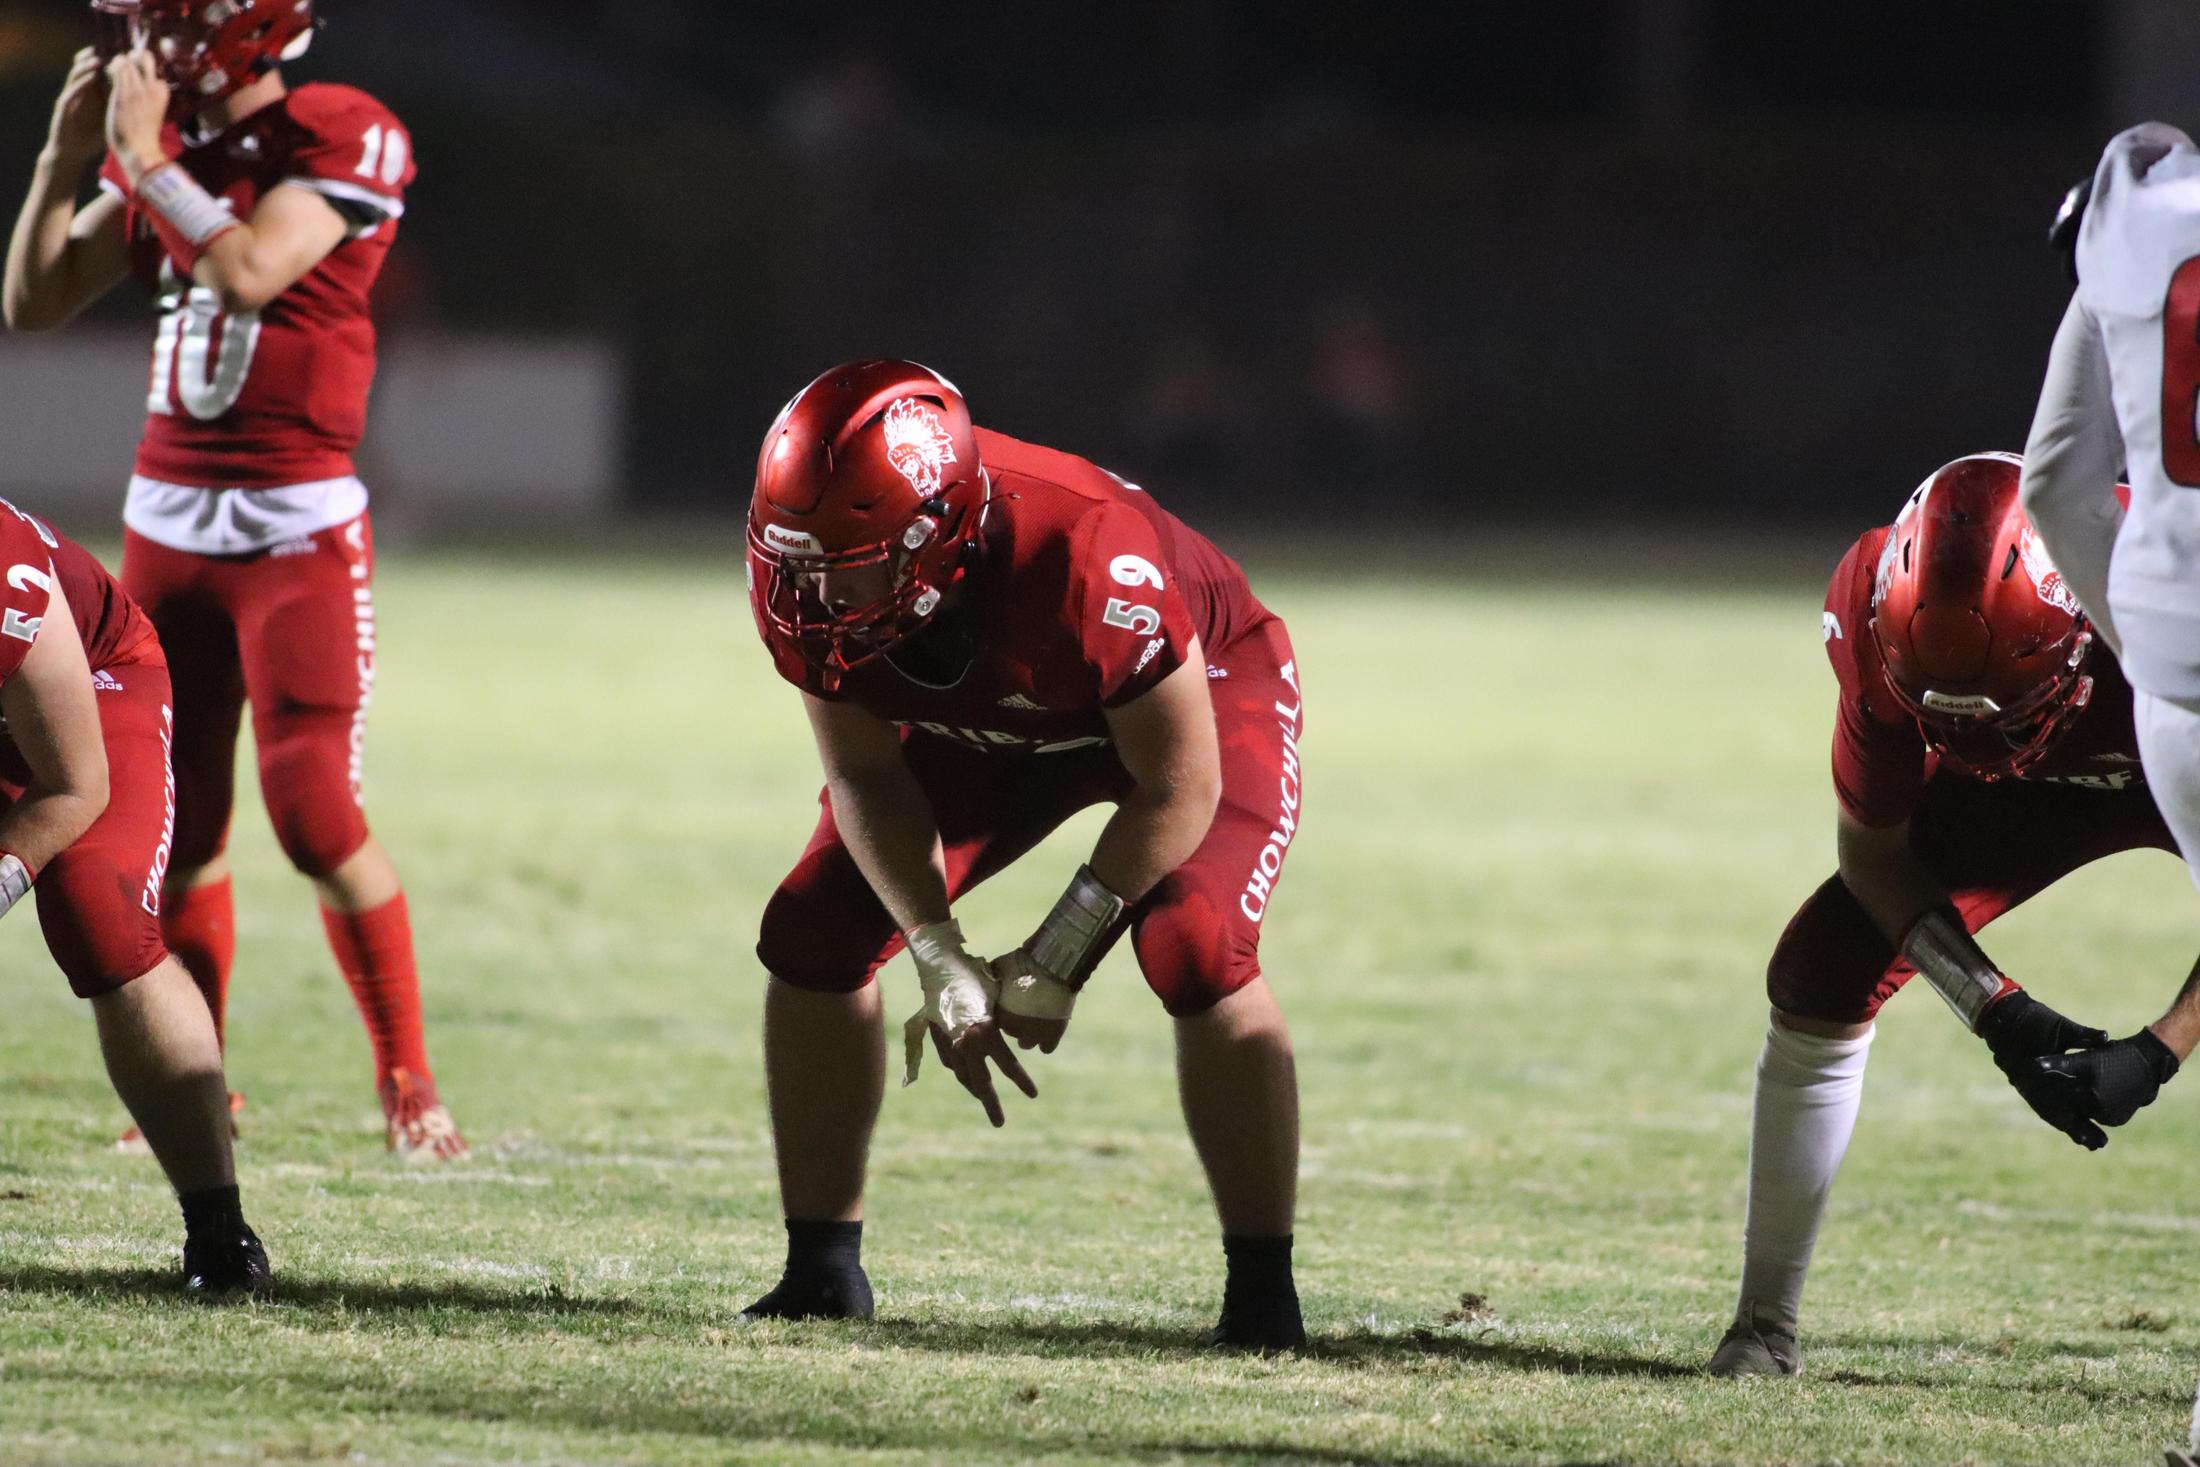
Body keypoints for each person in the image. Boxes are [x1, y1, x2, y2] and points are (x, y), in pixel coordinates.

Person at [742, 360, 1307, 1349]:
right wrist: (936, 949)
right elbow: (865, 777)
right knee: (814, 929)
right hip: (1002, 717)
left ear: (934, 535)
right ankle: (820, 1271)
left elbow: (1179, 784)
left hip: (1191, 702)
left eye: (846, 564)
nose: (811, 592)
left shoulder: (1088, 551)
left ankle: (1264, 1299)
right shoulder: (810, 577)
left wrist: (1057, 957)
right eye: (798, 560)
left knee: (1194, 946)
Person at [2, 1, 464, 1160]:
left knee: (315, 819)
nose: (149, 35)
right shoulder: (169, 155)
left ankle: (408, 1079)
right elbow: (33, 303)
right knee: (184, 824)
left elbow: (252, 269)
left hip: (294, 527)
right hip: (165, 525)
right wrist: (66, 158)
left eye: (173, 12)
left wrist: (146, 159)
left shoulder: (338, 127)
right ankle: (204, 1079)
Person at [1709, 454, 2196, 1378]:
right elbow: (1874, 856)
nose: (1977, 746)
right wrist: (1999, 1011)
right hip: (2044, 788)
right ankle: (1763, 1323)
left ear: (2083, 633)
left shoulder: (2179, 606)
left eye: (2002, 717)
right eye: (1947, 722)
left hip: (2165, 742)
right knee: (1826, 962)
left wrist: (2162, 1048)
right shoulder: (1872, 604)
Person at [0, 494, 271, 1295]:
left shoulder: (8, 576)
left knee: (102, 921)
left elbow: (74, 785)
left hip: (89, 693)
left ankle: (219, 1229)